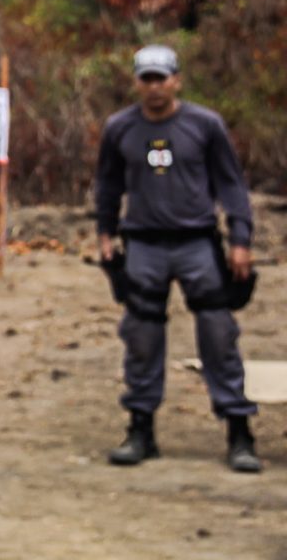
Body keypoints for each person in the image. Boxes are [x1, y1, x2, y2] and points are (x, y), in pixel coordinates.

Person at [95, 44, 260, 473]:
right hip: (143, 243)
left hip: (197, 242)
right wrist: (105, 232)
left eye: (161, 78)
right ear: (136, 82)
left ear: (176, 81)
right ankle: (141, 429)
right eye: (146, 79)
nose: (154, 87)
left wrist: (240, 238)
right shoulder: (119, 128)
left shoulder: (204, 125)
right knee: (142, 338)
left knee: (219, 335)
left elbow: (231, 185)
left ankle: (239, 431)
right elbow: (108, 184)